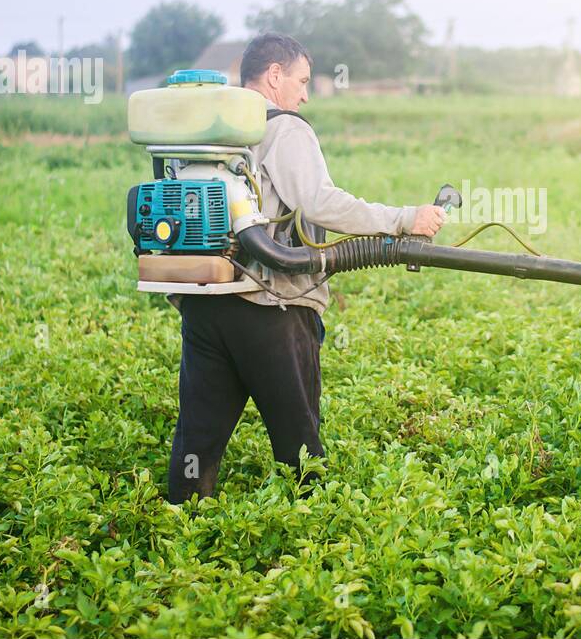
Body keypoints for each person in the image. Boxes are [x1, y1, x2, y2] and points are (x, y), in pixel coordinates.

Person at [166, 32, 446, 504]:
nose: (304, 93)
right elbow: (319, 202)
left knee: (197, 436)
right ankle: (314, 543)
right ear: (274, 76)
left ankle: (178, 528)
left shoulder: (204, 131)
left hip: (206, 304)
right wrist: (402, 219)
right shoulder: (283, 127)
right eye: (301, 80)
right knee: (300, 445)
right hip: (270, 307)